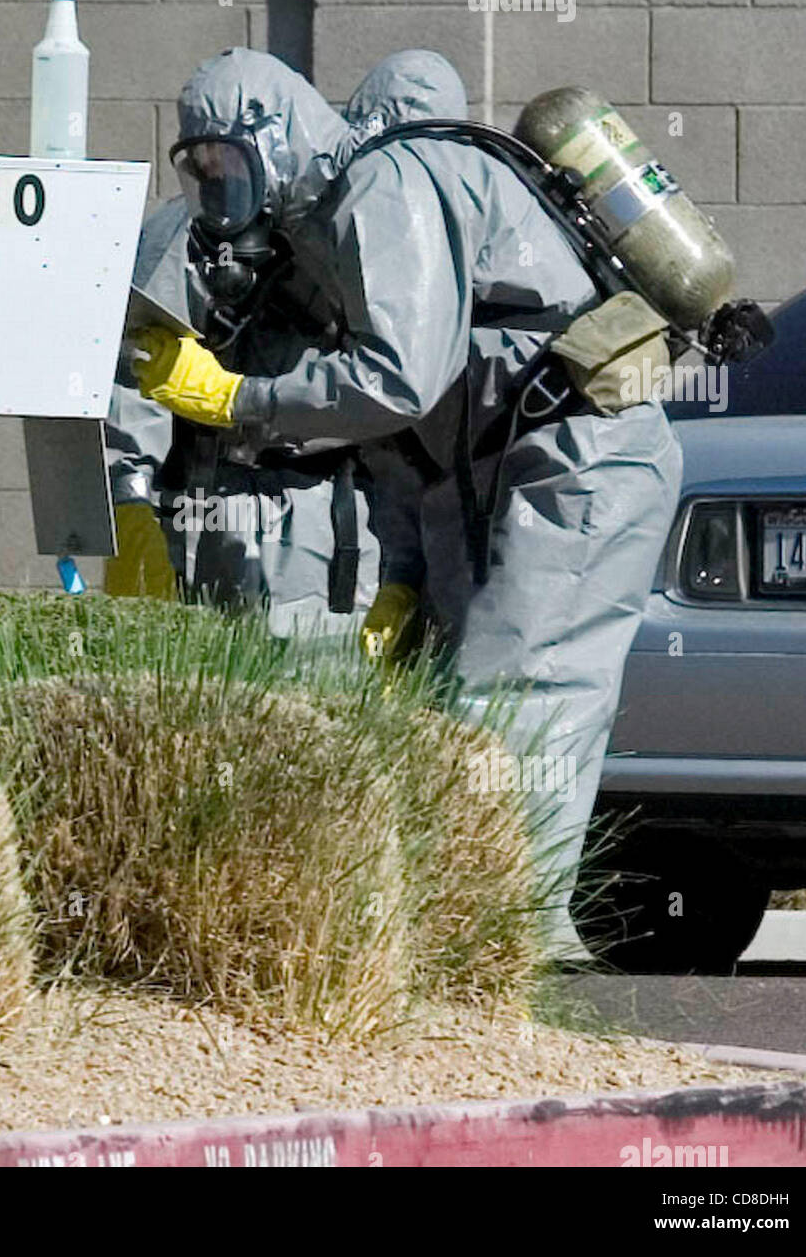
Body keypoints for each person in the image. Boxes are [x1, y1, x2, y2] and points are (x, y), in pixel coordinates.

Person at [132, 46, 683, 955]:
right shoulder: (327, 215)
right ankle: (470, 933)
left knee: (515, 693)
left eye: (228, 162)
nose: (218, 188)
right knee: (459, 695)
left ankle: (508, 943)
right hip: (492, 468)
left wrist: (237, 401)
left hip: (577, 461)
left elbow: (397, 380)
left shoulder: (386, 183)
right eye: (201, 170)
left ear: (277, 138)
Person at [104, 89, 381, 641]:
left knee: (324, 699)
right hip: (207, 513)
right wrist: (129, 503)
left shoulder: (361, 234)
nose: (217, 177)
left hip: (334, 517)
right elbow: (130, 371)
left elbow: (397, 393)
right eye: (203, 164)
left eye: (226, 159)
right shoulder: (180, 235)